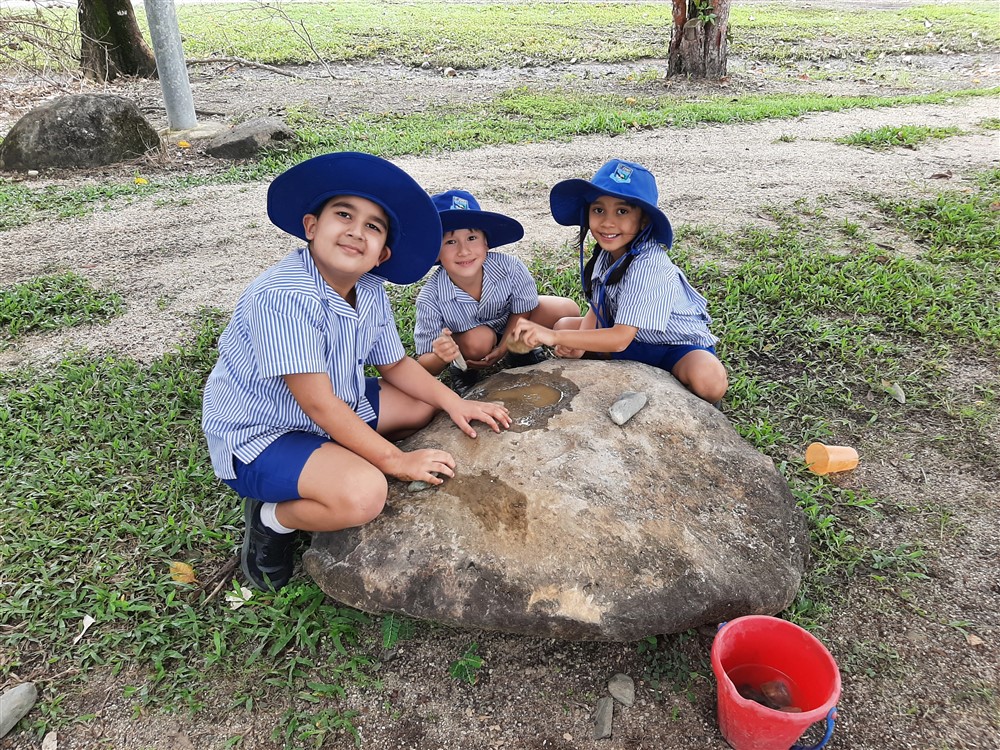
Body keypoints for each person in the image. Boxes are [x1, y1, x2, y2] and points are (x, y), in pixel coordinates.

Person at [202, 153, 512, 591]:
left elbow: (396, 364)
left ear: (382, 252)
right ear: (311, 226)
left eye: (373, 225)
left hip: (334, 404)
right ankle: (272, 519)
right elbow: (317, 403)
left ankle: (337, 458)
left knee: (422, 404)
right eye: (343, 215)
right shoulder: (284, 295)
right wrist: (396, 460)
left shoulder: (368, 288)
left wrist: (456, 402)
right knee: (366, 494)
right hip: (264, 433)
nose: (355, 231)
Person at [509, 159, 728, 404]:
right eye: (598, 210)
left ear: (644, 220)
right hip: (629, 341)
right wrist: (577, 343)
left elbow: (621, 337)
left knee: (710, 380)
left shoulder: (650, 266)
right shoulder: (605, 254)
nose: (607, 222)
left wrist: (552, 337)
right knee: (565, 326)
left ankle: (673, 384)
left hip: (672, 346)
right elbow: (598, 304)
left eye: (622, 211)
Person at [413, 189, 580, 392]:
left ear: (486, 243)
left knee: (566, 309)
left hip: (509, 324)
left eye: (472, 238)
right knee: (479, 341)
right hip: (471, 341)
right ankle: (463, 369)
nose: (463, 250)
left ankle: (518, 351)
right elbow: (425, 363)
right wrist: (441, 355)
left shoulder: (510, 266)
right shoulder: (430, 297)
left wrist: (504, 348)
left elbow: (522, 310)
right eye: (450, 241)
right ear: (435, 251)